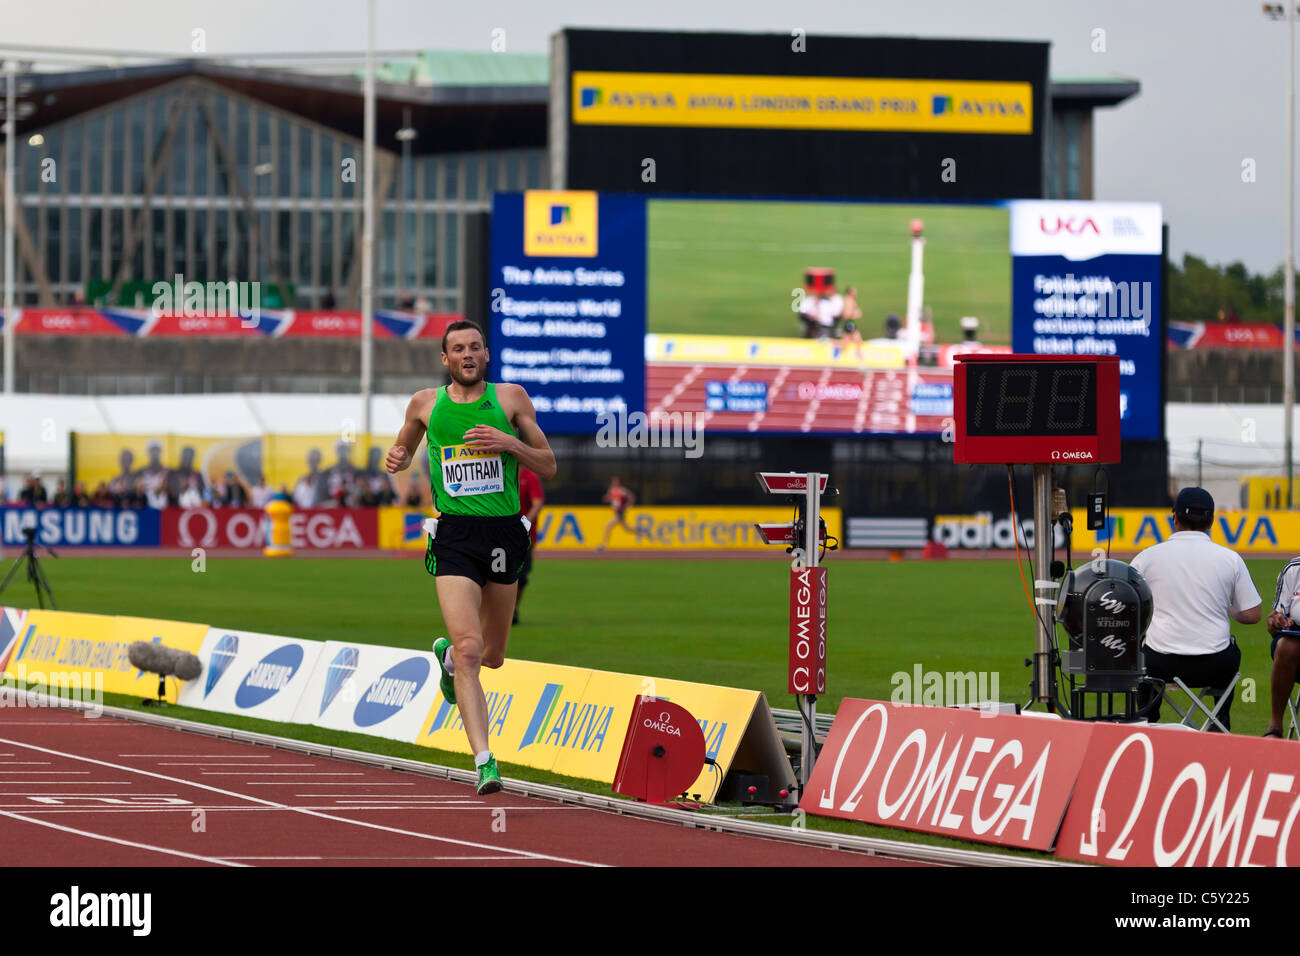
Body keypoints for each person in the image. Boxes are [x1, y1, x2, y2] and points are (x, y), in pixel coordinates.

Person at [385, 320, 555, 796]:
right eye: (458, 348)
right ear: (445, 359)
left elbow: (548, 464)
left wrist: (510, 444)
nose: (467, 354)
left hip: (504, 534)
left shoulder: (511, 400)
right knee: (471, 651)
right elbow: (404, 445)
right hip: (455, 534)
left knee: (494, 656)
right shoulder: (425, 403)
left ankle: (445, 663)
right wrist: (396, 459)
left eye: (475, 347)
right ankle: (485, 761)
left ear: (485, 354)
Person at [1131, 487, 1261, 731]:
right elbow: (1253, 615)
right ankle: (1219, 719)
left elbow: (1129, 608)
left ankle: (1147, 719)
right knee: (1231, 650)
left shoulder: (1146, 558)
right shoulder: (1230, 558)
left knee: (1142, 654)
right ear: (1211, 521)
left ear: (1175, 518)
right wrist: (1231, 610)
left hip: (1161, 664)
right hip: (1215, 665)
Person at [1263, 558, 1300, 738]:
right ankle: (1275, 727)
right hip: (1297, 641)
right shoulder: (1293, 569)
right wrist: (1277, 621)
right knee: (1286, 646)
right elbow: (1273, 621)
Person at [514, 466, 545, 625]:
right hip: (501, 533)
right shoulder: (504, 471)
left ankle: (513, 610)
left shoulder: (530, 477)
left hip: (525, 537)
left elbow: (537, 503)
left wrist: (524, 523)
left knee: (521, 577)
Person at [595, 476, 635, 551]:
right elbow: (610, 498)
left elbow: (631, 496)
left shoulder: (622, 490)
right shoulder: (611, 489)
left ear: (619, 482)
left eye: (615, 481)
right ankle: (642, 531)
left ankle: (603, 546)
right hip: (616, 511)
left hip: (620, 512)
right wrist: (607, 498)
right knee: (628, 529)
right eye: (613, 481)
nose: (614, 482)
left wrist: (628, 505)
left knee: (607, 526)